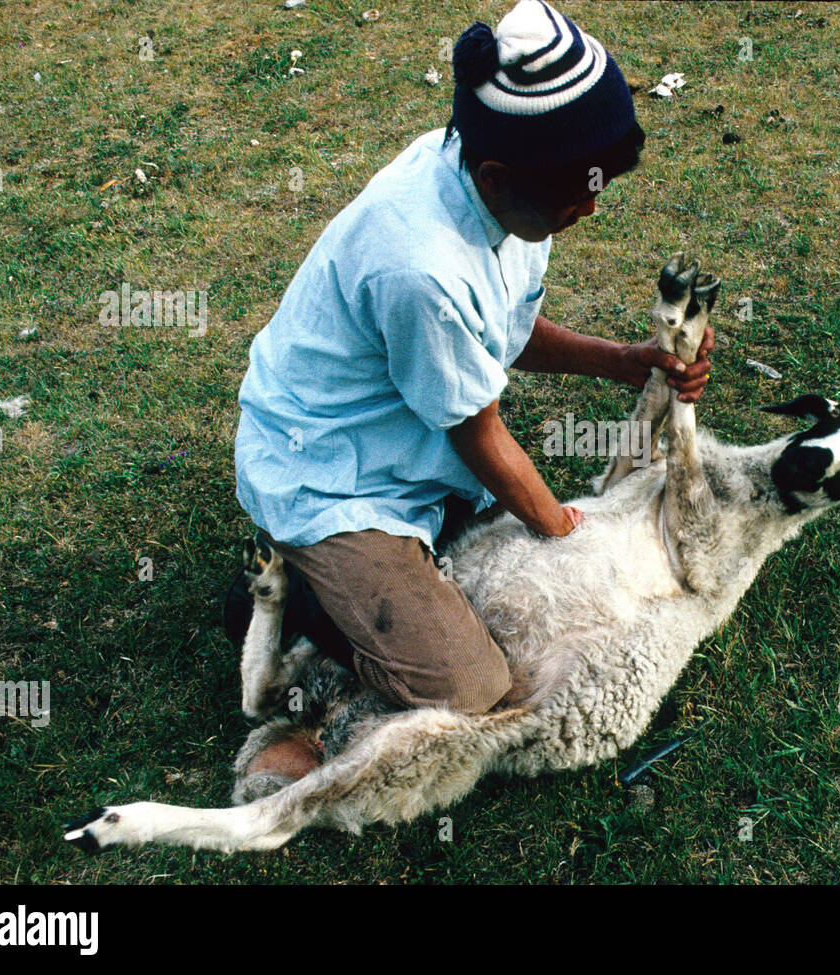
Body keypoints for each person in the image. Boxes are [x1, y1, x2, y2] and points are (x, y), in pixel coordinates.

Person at [231, 0, 714, 780]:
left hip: (407, 447)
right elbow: (479, 434)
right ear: (497, 176)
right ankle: (305, 606)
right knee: (472, 683)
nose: (590, 206)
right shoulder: (420, 265)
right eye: (575, 192)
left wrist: (624, 361)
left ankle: (396, 577)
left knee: (501, 596)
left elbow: (507, 329)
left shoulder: (495, 188)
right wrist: (567, 530)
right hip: (328, 474)